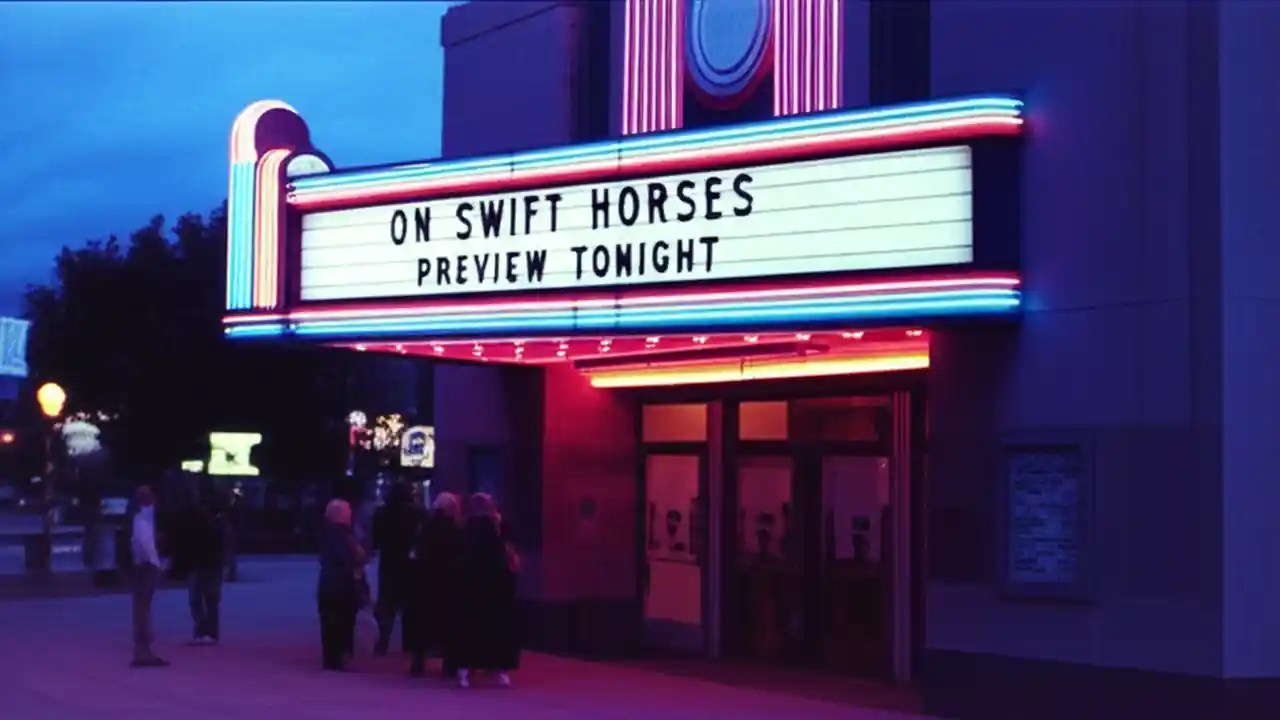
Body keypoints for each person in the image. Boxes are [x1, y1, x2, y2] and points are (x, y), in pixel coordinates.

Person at [455, 493, 519, 689]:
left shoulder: (465, 529)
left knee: (471, 627)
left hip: (470, 584)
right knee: (496, 626)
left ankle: (465, 670)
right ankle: (499, 669)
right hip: (496, 584)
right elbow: (509, 554)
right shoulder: (499, 528)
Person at [409, 492, 464, 678]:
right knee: (449, 624)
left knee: (423, 623)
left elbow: (416, 552)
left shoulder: (425, 528)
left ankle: (418, 661)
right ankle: (449, 664)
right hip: (448, 582)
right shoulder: (456, 530)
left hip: (425, 581)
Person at [173, 482, 226, 645]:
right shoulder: (212, 521)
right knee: (205, 599)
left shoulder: (208, 521)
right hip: (205, 563)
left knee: (202, 599)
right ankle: (207, 631)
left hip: (204, 564)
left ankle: (205, 631)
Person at [372, 481, 420, 656]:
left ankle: (383, 640)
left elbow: (375, 538)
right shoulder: (416, 513)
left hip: (388, 561)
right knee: (409, 604)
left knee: (387, 603)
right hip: (409, 562)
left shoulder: (382, 513)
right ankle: (410, 643)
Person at [318, 498, 366, 671]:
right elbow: (346, 558)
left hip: (328, 583)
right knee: (340, 620)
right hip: (341, 584)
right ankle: (337, 656)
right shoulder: (343, 535)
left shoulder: (328, 533)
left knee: (330, 621)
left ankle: (331, 656)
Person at [130, 485, 168, 668]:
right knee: (143, 608)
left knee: (141, 607)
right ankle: (144, 650)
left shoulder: (139, 518)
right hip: (146, 567)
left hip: (140, 566)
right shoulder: (143, 518)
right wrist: (156, 564)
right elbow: (145, 544)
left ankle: (142, 649)